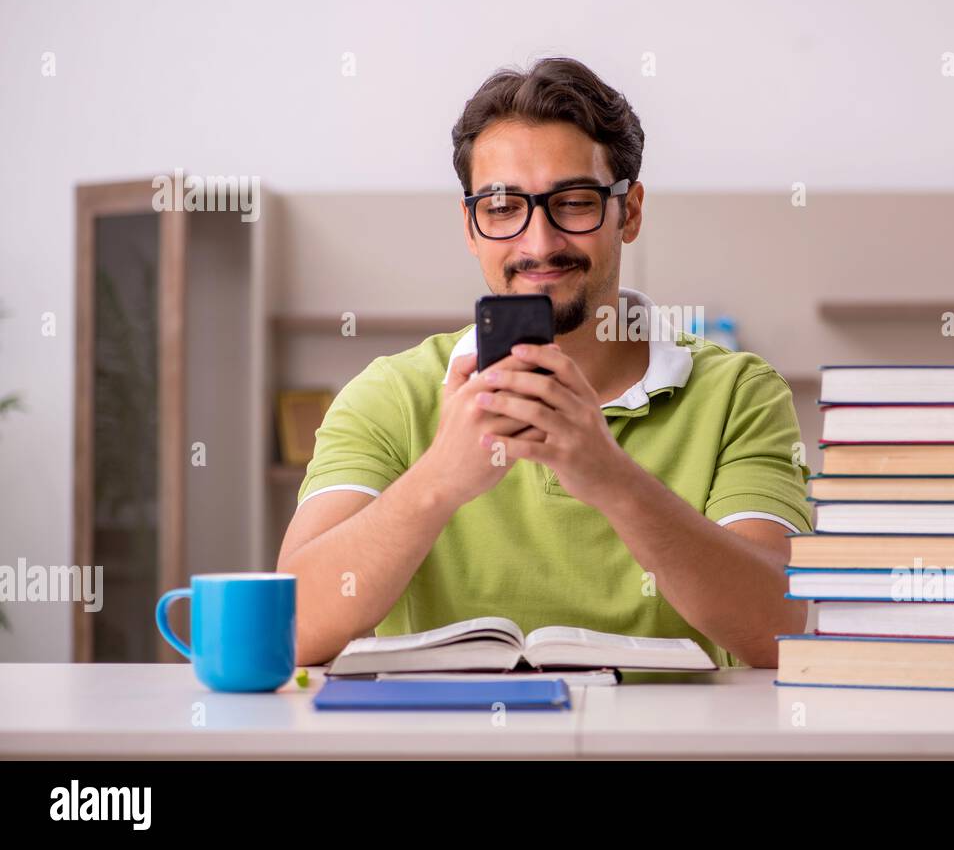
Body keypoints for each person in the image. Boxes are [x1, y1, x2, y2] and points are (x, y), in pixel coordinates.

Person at [278, 57, 812, 668]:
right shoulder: (390, 394)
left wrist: (609, 476)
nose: (539, 244)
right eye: (503, 208)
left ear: (628, 212)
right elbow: (290, 629)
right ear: (471, 226)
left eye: (575, 203)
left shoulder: (740, 394)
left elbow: (778, 629)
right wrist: (440, 480)